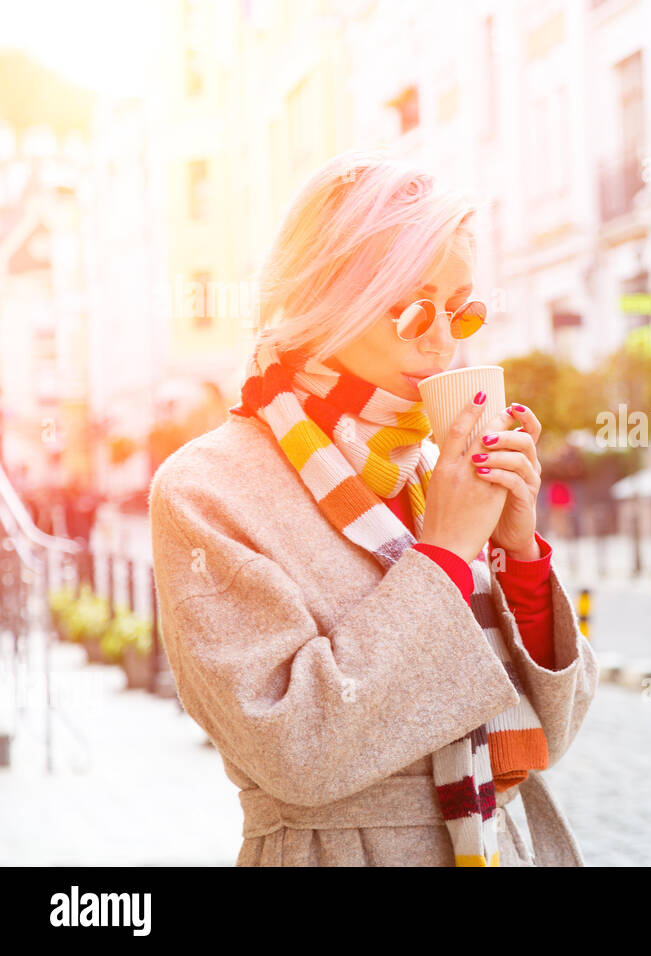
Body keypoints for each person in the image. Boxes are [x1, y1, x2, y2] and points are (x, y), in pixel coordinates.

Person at [148, 149, 597, 867]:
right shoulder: (206, 489)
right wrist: (444, 554)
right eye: (416, 309)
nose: (444, 341)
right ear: (329, 297)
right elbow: (294, 751)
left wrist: (517, 552)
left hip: (503, 843)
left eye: (461, 310)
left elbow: (553, 732)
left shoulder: (427, 465)